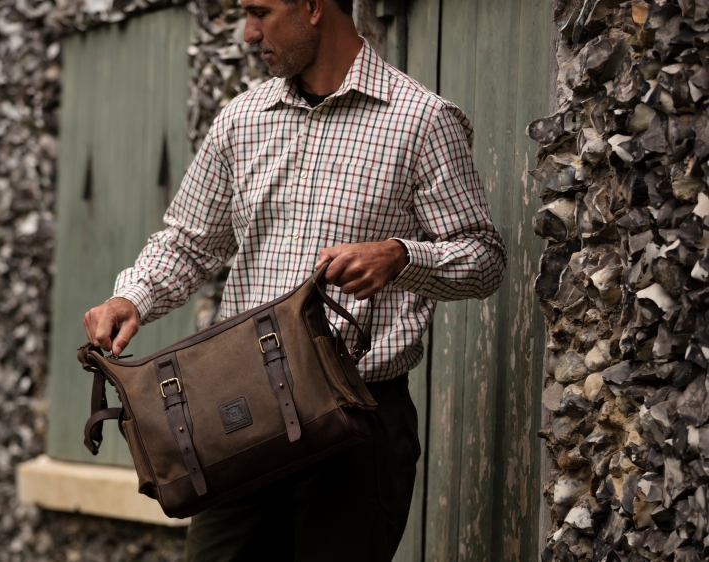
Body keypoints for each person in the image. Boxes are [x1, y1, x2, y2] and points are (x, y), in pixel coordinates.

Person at [82, 0, 506, 558]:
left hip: (356, 422)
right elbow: (189, 241)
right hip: (238, 418)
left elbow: (484, 258)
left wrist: (401, 257)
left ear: (311, 7)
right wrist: (132, 298)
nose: (247, 32)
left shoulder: (422, 121)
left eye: (260, 11)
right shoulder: (240, 120)